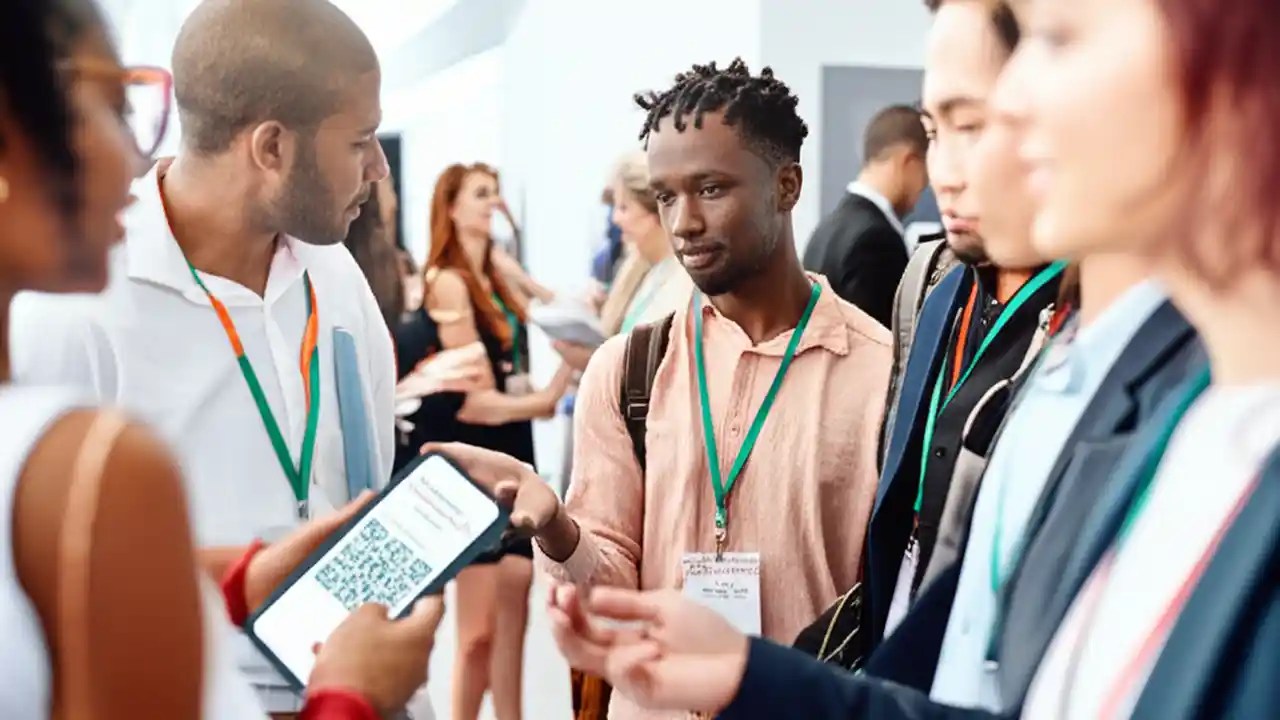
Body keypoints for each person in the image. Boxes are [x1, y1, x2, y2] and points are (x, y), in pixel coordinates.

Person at [541, 0, 1279, 716]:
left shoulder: (1152, 400)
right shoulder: (1006, 340)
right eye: (940, 125)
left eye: (1058, 39)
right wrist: (750, 675)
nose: (1016, 105)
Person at [0, 0, 442, 718]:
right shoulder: (75, 320)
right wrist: (346, 700)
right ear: (270, 148)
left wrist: (248, 580)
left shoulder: (334, 275)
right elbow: (60, 610)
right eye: (112, 110)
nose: (380, 168)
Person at [432, 57, 893, 720]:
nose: (684, 222)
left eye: (710, 189)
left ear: (786, 185)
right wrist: (558, 527)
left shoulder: (882, 374)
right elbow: (610, 584)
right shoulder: (628, 370)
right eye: (666, 196)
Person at [841, 0, 1063, 663]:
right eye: (935, 131)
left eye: (972, 124)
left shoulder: (1092, 317)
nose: (944, 173)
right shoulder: (932, 280)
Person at [399, 162, 571, 720]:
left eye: (496, 193)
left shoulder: (496, 268)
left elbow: (554, 307)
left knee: (514, 618)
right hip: (471, 459)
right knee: (476, 634)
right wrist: (544, 401)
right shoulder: (447, 280)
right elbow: (472, 398)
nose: (491, 203)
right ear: (450, 207)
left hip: (513, 451)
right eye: (480, 194)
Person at [553, 149, 696, 372]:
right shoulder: (648, 273)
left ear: (654, 210)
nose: (615, 219)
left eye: (623, 208)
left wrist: (592, 364)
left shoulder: (685, 284)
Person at [803, 104, 930, 326]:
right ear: (909, 162)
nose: (926, 187)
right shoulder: (876, 240)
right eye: (926, 173)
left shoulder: (825, 231)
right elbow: (880, 348)